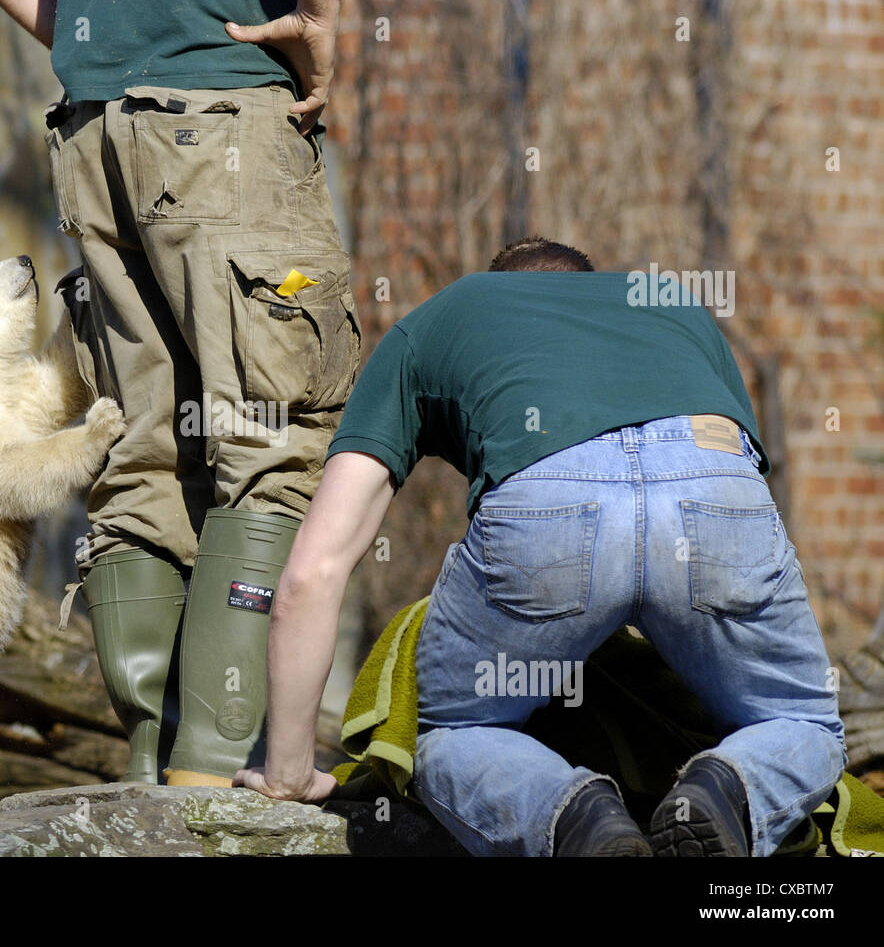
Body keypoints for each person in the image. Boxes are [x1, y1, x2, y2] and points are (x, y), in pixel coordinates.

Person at [235, 237, 847, 857]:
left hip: (548, 503)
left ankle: (580, 819)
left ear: (497, 282)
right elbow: (724, 515)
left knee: (453, 735)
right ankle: (724, 789)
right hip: (715, 489)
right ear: (586, 280)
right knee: (801, 720)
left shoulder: (443, 316)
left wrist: (287, 772)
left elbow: (313, 571)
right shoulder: (671, 300)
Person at [0, 0, 360, 785]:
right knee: (272, 439)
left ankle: (156, 779)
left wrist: (92, 39)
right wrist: (322, 15)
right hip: (220, 112)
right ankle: (221, 787)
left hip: (92, 130)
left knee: (143, 459)